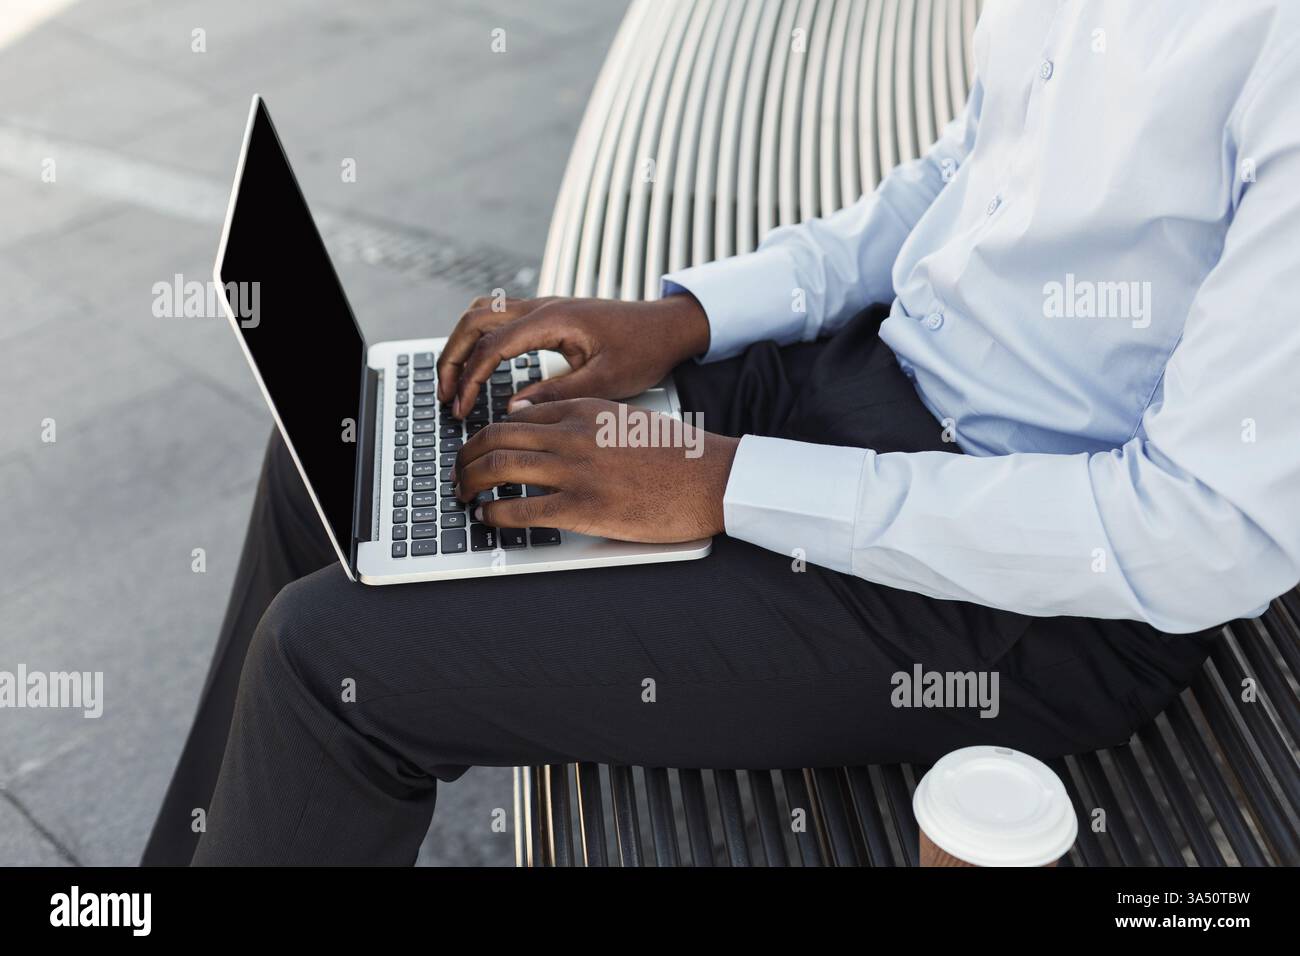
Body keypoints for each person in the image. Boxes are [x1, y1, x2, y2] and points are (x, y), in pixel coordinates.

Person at [143, 1, 1300, 865]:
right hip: (861, 383)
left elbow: (1206, 528)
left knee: (330, 664)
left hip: (1024, 586)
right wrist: (684, 317)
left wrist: (725, 482)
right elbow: (961, 171)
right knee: (341, 459)